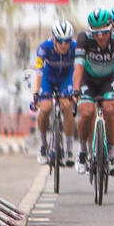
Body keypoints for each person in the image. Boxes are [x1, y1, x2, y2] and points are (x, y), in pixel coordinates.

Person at [72, 9, 114, 175]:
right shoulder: (84, 38)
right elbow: (78, 67)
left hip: (110, 79)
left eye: (103, 32)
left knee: (111, 108)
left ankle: (113, 155)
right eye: (96, 33)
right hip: (89, 80)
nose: (100, 37)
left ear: (111, 28)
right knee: (86, 112)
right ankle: (82, 151)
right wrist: (76, 89)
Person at [32, 21, 78, 165]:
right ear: (53, 39)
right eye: (60, 41)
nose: (64, 45)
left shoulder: (76, 48)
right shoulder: (43, 48)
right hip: (48, 80)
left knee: (67, 108)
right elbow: (39, 72)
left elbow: (78, 71)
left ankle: (70, 149)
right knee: (45, 108)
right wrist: (36, 93)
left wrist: (76, 91)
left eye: (67, 41)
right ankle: (43, 144)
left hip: (66, 79)